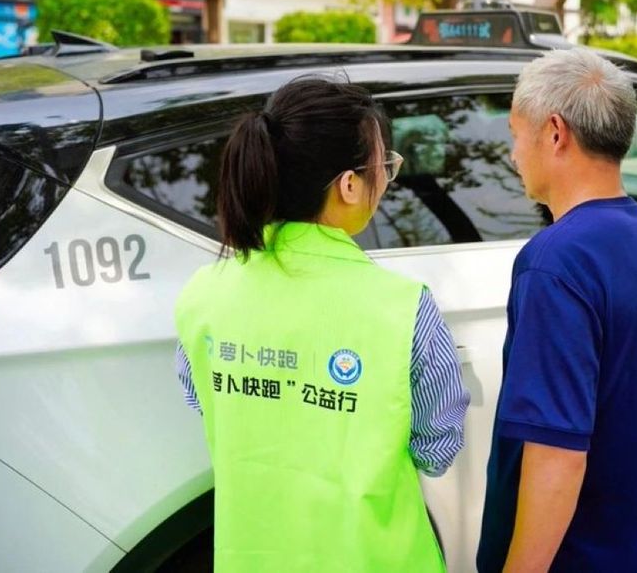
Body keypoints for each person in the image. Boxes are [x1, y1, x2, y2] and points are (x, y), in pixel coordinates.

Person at [174, 76, 469, 572]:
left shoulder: (203, 293)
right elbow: (436, 448)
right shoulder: (403, 308)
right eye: (385, 167)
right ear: (349, 186)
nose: (386, 179)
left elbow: (204, 403)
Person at [477, 49, 637, 572]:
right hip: (622, 548)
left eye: (514, 133)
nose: (512, 154)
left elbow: (557, 455)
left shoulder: (555, 262)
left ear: (554, 133)